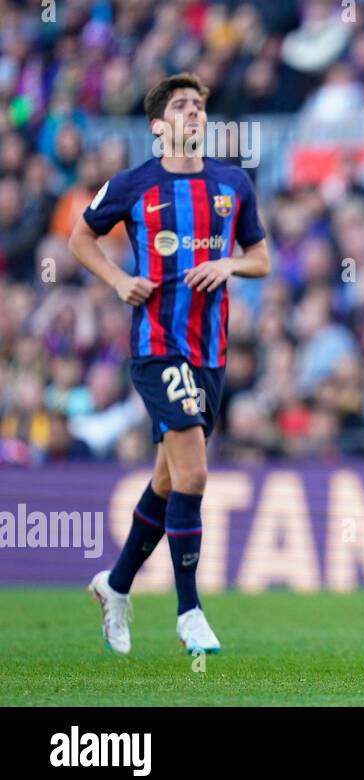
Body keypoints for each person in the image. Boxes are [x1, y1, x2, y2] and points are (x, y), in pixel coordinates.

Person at [68, 73, 271, 655]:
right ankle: (189, 612)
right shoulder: (134, 185)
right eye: (181, 107)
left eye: (199, 106)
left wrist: (229, 266)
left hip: (212, 354)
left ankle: (115, 585)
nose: (193, 114)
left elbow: (261, 257)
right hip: (158, 349)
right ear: (159, 127)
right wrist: (117, 280)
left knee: (169, 478)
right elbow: (82, 237)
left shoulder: (233, 183)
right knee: (196, 475)